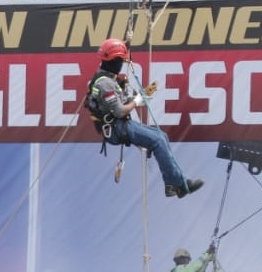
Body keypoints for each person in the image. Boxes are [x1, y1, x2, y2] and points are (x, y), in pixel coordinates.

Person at [85, 39, 203, 199]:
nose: (122, 64)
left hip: (119, 123)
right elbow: (119, 111)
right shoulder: (106, 84)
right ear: (115, 62)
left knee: (162, 136)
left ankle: (169, 184)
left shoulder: (106, 77)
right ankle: (180, 185)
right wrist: (138, 101)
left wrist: (141, 94)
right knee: (158, 141)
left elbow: (118, 104)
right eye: (120, 61)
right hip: (116, 128)